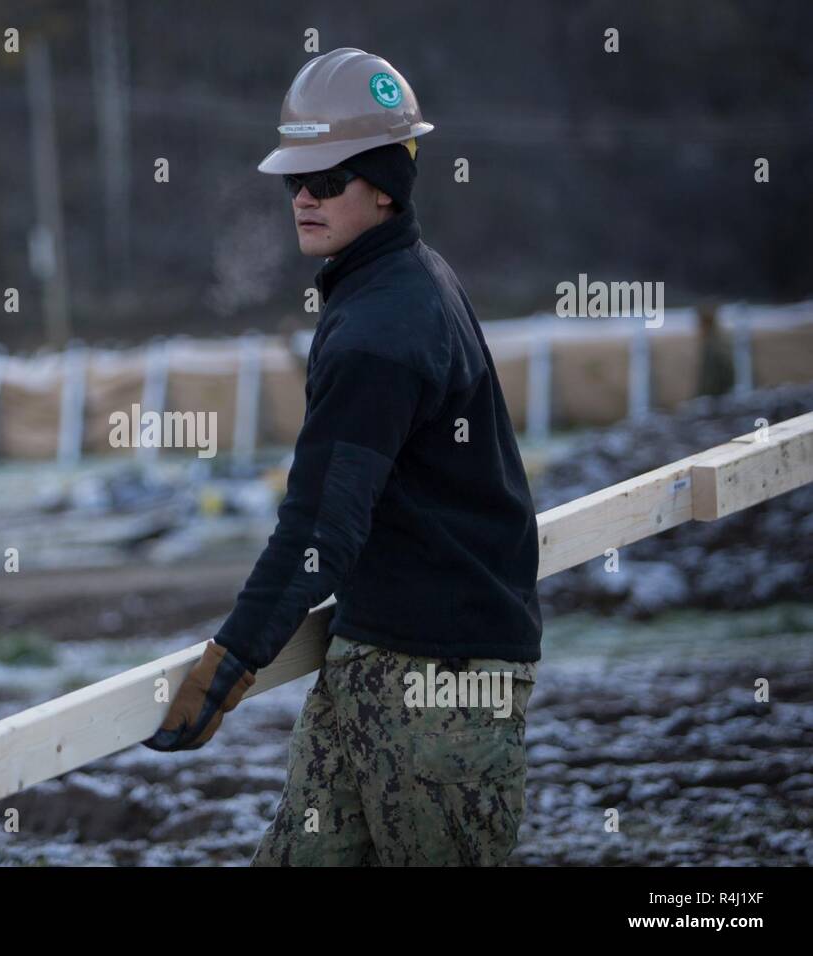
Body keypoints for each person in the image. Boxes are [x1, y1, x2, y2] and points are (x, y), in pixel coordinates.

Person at [144, 48, 544, 867]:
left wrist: (231, 660)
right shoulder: (397, 283)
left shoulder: (383, 326)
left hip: (442, 683)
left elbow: (321, 530)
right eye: (295, 181)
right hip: (370, 658)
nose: (302, 197)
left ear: (384, 186)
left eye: (324, 181)